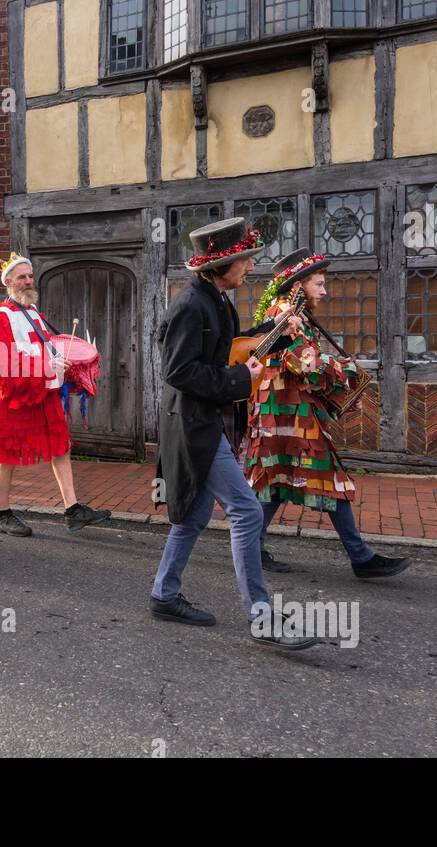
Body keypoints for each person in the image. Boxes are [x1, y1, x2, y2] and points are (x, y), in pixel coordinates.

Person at [149, 218, 317, 651]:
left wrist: (275, 337)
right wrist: (239, 380)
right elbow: (179, 372)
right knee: (247, 511)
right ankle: (261, 618)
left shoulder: (217, 300)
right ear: (219, 265)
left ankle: (164, 594)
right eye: (243, 259)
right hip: (194, 426)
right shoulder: (191, 305)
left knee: (194, 517)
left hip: (208, 422)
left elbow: (232, 350)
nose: (249, 265)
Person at [245, 248, 410, 579]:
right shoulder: (284, 313)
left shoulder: (295, 314)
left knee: (276, 483)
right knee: (324, 478)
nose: (324, 291)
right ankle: (360, 557)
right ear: (300, 284)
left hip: (288, 415)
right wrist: (345, 370)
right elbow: (303, 362)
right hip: (284, 416)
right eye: (318, 284)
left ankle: (253, 549)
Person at [0, 253, 110, 536]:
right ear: (8, 283)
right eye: (22, 277)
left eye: (30, 276)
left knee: (60, 448)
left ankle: (72, 510)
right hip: (14, 397)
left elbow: (46, 349)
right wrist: (45, 366)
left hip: (43, 391)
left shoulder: (34, 314)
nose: (28, 281)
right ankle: (2, 514)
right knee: (7, 457)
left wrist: (67, 362)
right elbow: (0, 363)